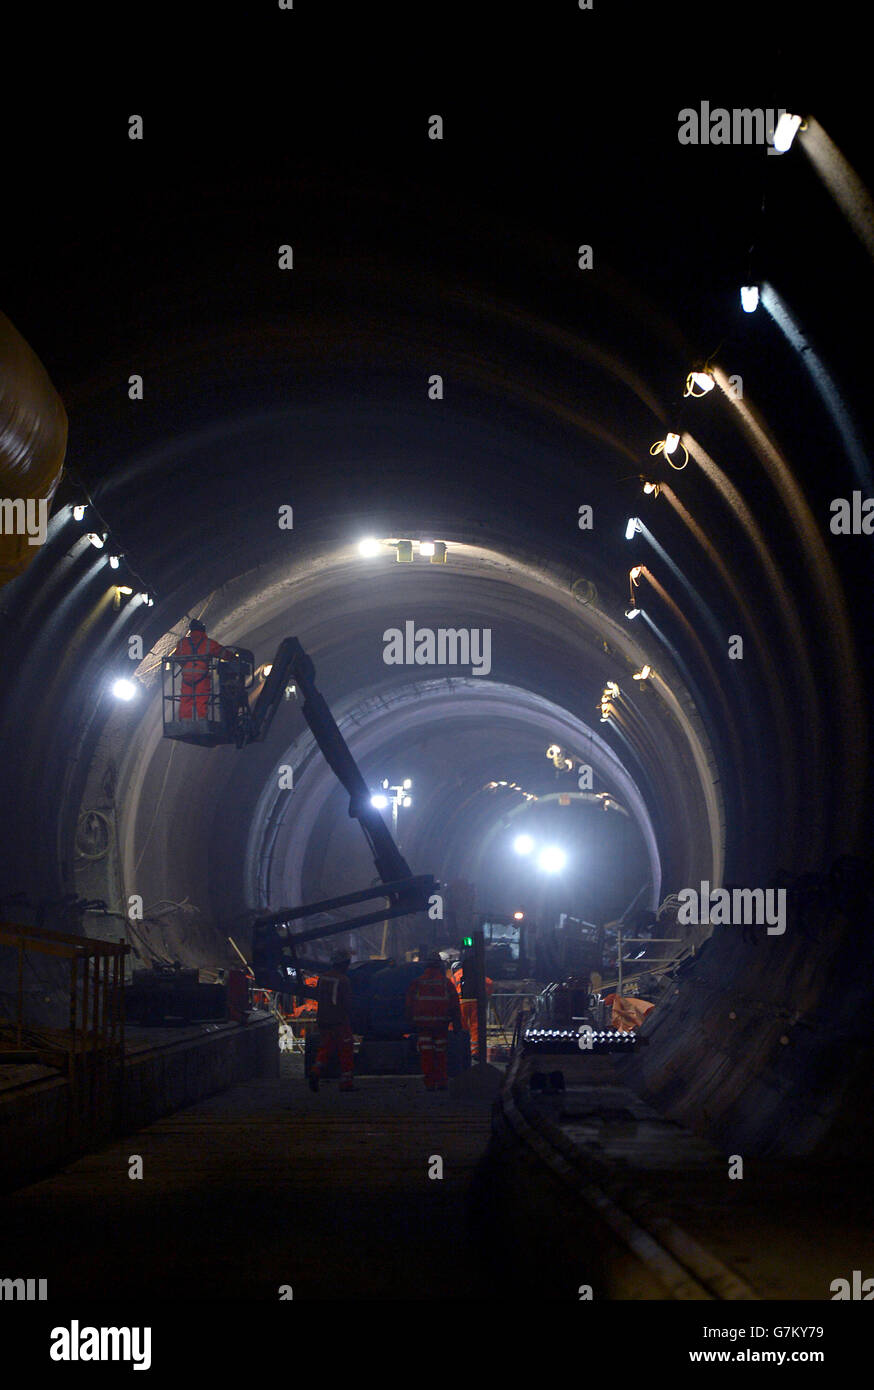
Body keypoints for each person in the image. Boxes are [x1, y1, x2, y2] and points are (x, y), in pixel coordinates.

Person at [405, 950, 462, 1091]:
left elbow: (409, 1004)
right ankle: (442, 1082)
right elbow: (455, 1005)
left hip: (423, 1026)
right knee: (440, 1054)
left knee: (426, 1054)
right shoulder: (446, 983)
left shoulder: (417, 983)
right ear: (440, 966)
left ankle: (430, 1083)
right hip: (441, 1025)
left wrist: (409, 1023)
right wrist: (457, 1024)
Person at [308, 948, 356, 1092]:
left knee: (325, 1048)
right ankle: (346, 1083)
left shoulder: (323, 978)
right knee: (346, 1050)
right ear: (344, 963)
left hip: (323, 1019)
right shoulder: (343, 980)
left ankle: (315, 1071)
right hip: (339, 1020)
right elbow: (346, 1003)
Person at [171, 618, 235, 720]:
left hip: (187, 677)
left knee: (186, 699)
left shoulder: (183, 643)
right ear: (203, 629)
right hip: (201, 676)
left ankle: (185, 721)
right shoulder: (208, 643)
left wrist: (186, 666)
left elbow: (176, 657)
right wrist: (233, 657)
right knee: (201, 698)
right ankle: (202, 720)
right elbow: (222, 653)